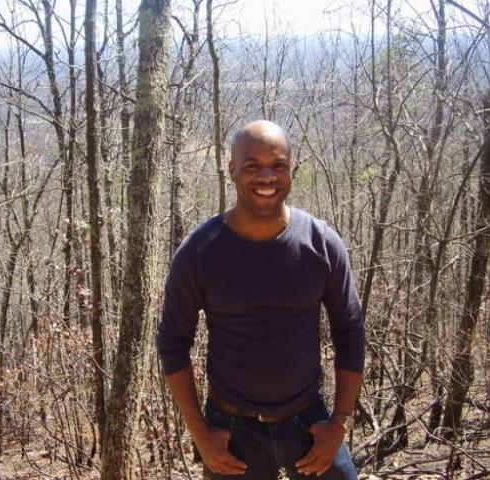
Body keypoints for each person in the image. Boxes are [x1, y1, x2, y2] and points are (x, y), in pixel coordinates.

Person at [156, 120, 365, 479]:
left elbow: (350, 331)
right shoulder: (200, 252)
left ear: (291, 169)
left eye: (278, 165)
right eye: (252, 166)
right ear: (232, 170)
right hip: (231, 431)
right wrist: (201, 434)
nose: (267, 177)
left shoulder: (321, 243)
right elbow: (172, 343)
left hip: (308, 421)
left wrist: (340, 422)